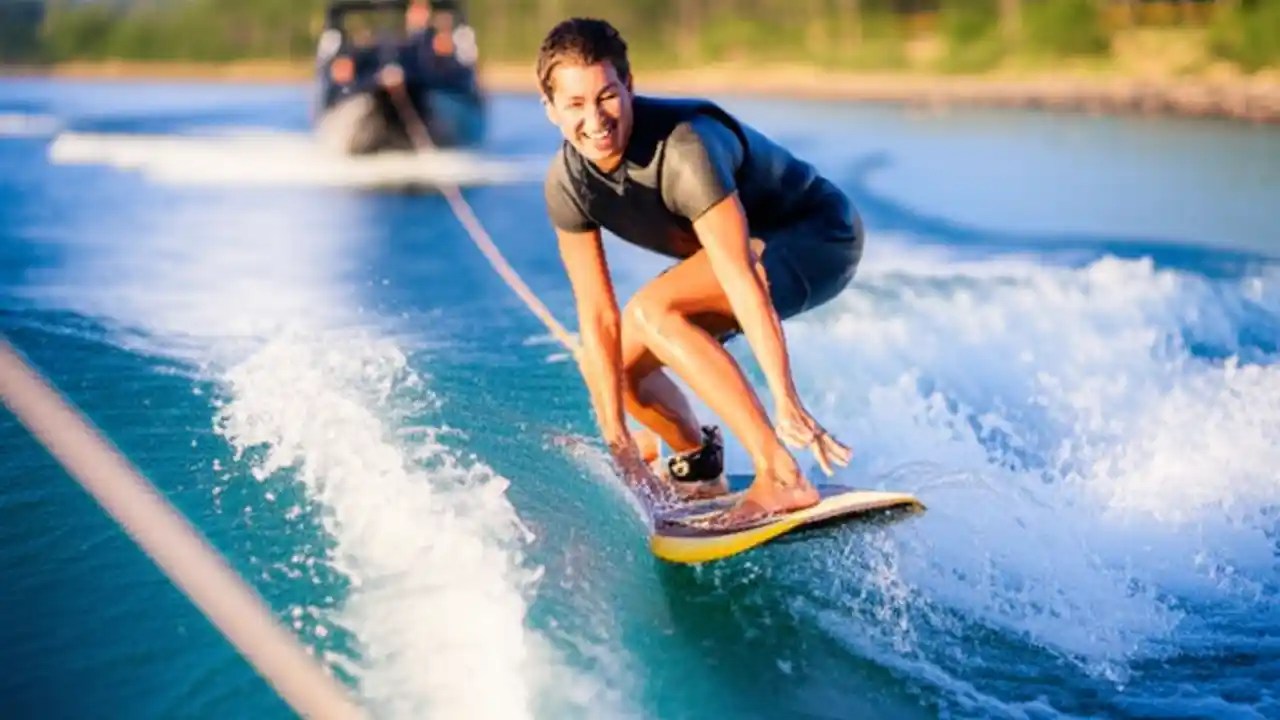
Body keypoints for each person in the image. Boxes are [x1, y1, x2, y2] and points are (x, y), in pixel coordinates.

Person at [538, 18, 861, 523]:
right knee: (612, 364)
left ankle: (780, 474)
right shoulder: (567, 184)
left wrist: (784, 396)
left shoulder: (685, 150)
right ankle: (698, 461)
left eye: (606, 96)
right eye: (575, 104)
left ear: (629, 87)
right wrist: (618, 440)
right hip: (747, 255)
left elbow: (740, 276)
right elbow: (598, 315)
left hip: (819, 237)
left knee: (652, 311)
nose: (595, 118)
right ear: (551, 109)